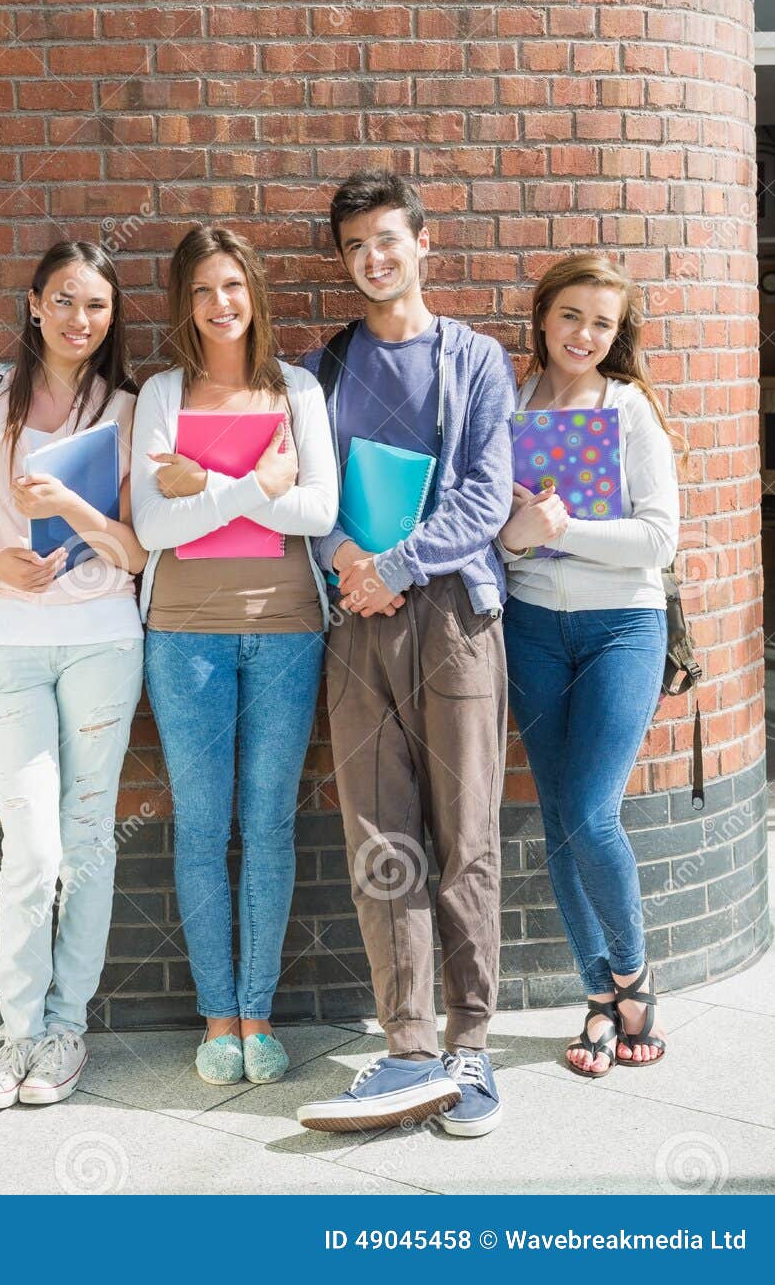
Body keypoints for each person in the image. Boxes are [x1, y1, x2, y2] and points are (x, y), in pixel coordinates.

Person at [295, 169, 516, 1138]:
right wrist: (346, 558)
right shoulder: (321, 368)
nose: (371, 258)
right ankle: (408, 1046)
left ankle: (470, 1045)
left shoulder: (474, 359)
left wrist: (396, 563)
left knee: (463, 832)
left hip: (453, 618)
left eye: (386, 238)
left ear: (422, 242)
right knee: (380, 839)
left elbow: (486, 495)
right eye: (354, 246)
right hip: (356, 620)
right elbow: (305, 493)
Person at [130, 227, 337, 1086]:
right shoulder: (161, 394)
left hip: (287, 631)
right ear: (184, 303)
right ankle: (218, 1019)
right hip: (184, 634)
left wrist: (207, 488)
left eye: (232, 286)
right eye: (201, 290)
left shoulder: (296, 390)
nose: (219, 304)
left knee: (269, 825)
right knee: (202, 826)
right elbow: (152, 526)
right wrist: (256, 488)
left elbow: (319, 513)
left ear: (253, 292)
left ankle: (260, 1014)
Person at [0, 240, 146, 1111]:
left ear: (111, 316)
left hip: (103, 638)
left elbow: (135, 551)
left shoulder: (127, 408)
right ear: (33, 303)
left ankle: (66, 1029)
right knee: (31, 847)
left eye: (95, 305)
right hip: (5, 638)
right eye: (63, 300)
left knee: (88, 837)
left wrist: (69, 507)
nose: (78, 319)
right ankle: (16, 1034)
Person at [497, 253, 680, 1078]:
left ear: (616, 335)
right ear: (542, 316)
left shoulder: (627, 408)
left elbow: (657, 539)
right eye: (570, 315)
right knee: (557, 819)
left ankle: (633, 977)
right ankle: (598, 997)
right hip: (532, 629)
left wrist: (561, 529)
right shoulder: (508, 405)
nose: (582, 334)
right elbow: (496, 535)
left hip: (621, 628)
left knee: (588, 812)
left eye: (601, 323)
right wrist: (517, 537)